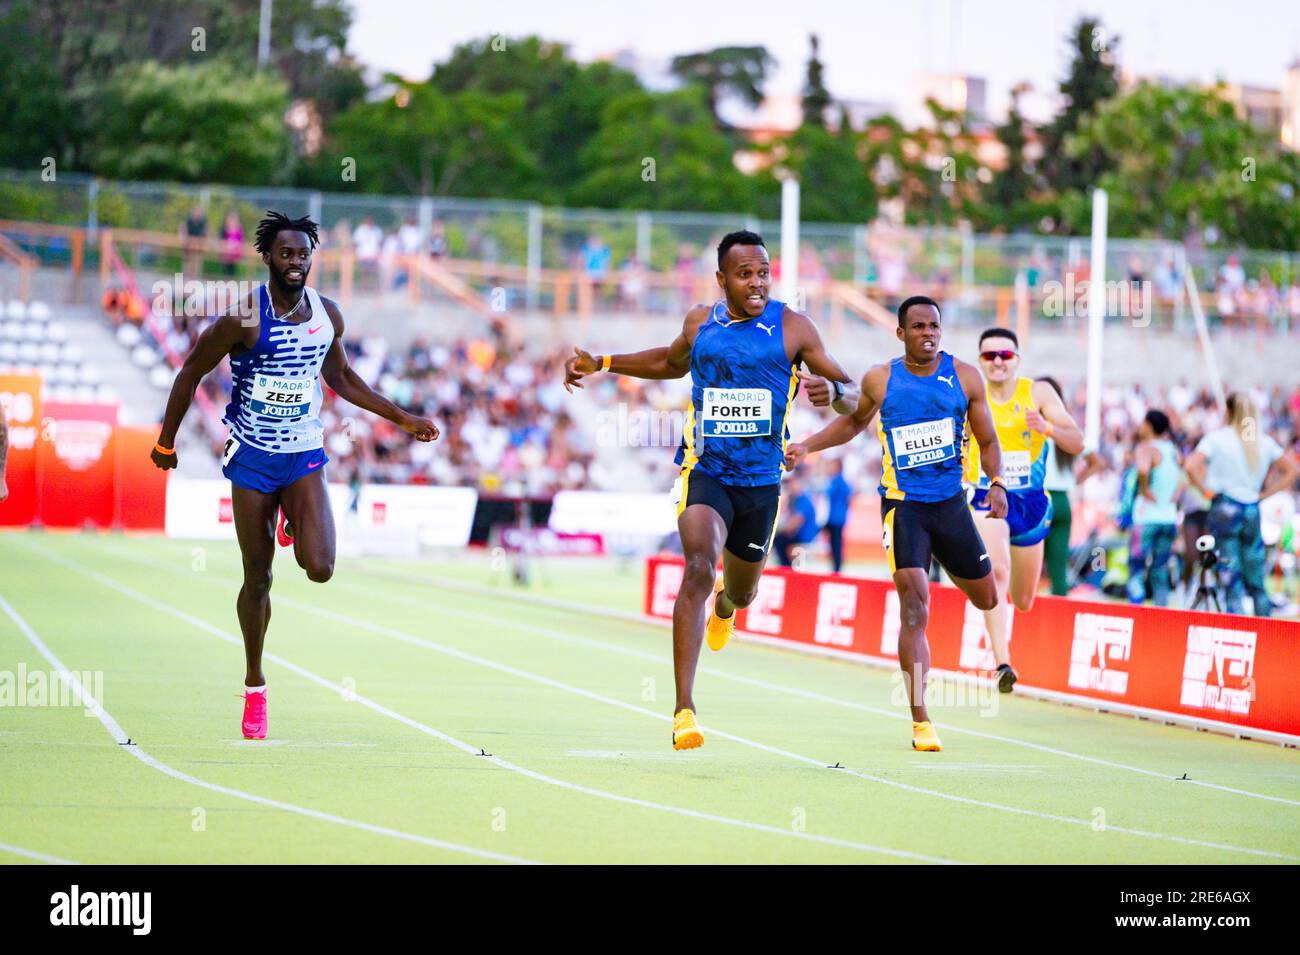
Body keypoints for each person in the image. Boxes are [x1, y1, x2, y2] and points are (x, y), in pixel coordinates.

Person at [149, 211, 440, 739]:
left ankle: (294, 518)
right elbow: (190, 371)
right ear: (267, 257)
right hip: (252, 458)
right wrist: (166, 441)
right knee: (257, 576)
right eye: (286, 254)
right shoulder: (241, 319)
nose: (296, 262)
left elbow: (342, 377)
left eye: (304, 254)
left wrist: (403, 418)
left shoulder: (327, 315)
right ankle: (255, 686)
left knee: (321, 566)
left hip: (304, 453)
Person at [564, 230, 855, 751]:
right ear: (722, 280)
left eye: (763, 272)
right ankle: (684, 709)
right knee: (697, 565)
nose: (756, 282)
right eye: (744, 274)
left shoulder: (794, 328)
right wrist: (603, 363)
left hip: (762, 483)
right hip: (706, 470)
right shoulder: (701, 321)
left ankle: (727, 606)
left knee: (741, 590)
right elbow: (671, 363)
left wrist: (832, 391)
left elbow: (855, 396)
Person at [786, 296, 1005, 752]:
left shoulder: (964, 377)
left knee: (988, 596)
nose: (928, 333)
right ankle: (921, 719)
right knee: (913, 605)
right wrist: (808, 445)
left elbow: (987, 438)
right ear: (901, 333)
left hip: (951, 505)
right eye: (919, 327)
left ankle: (949, 564)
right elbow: (853, 423)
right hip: (903, 507)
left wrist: (998, 481)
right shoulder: (880, 378)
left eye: (935, 327)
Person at [963, 328, 1084, 692]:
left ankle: (1004, 630)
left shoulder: (1038, 393)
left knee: (1025, 599)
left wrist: (1046, 427)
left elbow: (1076, 442)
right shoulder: (969, 392)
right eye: (989, 356)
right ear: (981, 361)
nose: (998, 361)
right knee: (996, 571)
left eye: (1005, 355)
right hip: (986, 494)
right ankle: (1003, 662)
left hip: (1029, 501)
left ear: (1017, 359)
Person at [1184, 392, 1300, 616]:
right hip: (1251, 508)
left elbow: (1190, 466)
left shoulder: (1217, 439)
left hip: (1225, 507)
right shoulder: (1262, 441)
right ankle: (1265, 627)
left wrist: (1206, 491)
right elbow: (1292, 471)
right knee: (1256, 576)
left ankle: (1237, 624)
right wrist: (1264, 495)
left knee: (1231, 574)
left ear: (1228, 411)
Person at [1039, 376, 1106, 596]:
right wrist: (1072, 483)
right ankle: (1061, 618)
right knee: (1059, 568)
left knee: (1028, 566)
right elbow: (1097, 462)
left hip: (1037, 498)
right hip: (1062, 501)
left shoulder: (1034, 428)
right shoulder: (1067, 431)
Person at [1126, 410, 1182, 607]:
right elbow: (1186, 475)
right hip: (1168, 517)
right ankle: (1161, 611)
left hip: (1146, 517)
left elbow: (1142, 470)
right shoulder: (1174, 451)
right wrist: (1176, 494)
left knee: (1136, 567)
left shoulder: (1146, 448)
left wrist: (1143, 489)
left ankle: (1136, 610)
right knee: (1161, 568)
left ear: (1149, 426)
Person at [772, 471, 819, 567]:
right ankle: (785, 569)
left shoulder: (803, 500)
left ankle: (786, 570)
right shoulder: (796, 499)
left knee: (778, 540)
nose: (788, 486)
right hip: (798, 536)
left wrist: (776, 530)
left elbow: (794, 524)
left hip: (804, 538)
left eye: (791, 483)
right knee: (779, 540)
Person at [822, 457, 853, 573]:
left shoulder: (838, 482)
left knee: (836, 544)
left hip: (836, 518)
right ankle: (835, 568)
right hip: (833, 517)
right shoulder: (835, 481)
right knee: (833, 544)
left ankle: (837, 569)